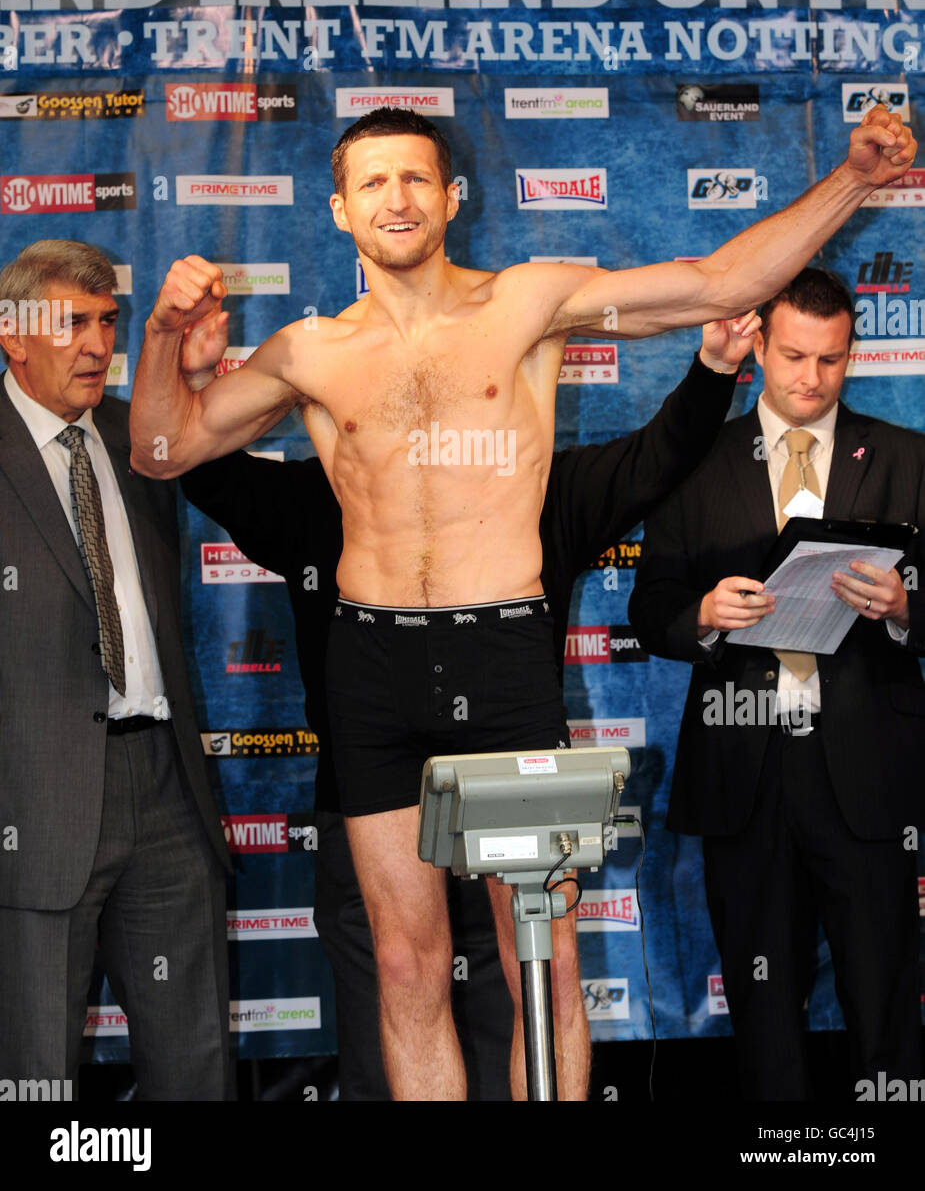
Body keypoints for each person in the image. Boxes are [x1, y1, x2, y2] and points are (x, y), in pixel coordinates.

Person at [129, 103, 915, 1101]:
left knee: (533, 963)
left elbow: (725, 282)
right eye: (372, 183)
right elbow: (161, 449)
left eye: (415, 178)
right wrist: (161, 336)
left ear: (453, 197)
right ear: (336, 210)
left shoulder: (527, 302)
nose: (397, 198)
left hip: (500, 659)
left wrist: (851, 177)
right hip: (371, 671)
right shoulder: (307, 352)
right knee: (409, 967)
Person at [180, 314, 753, 1099]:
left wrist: (714, 368)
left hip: (510, 770)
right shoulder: (321, 496)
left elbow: (652, 461)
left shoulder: (535, 487)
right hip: (369, 787)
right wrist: (194, 383)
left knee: (542, 985)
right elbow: (199, 467)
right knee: (395, 987)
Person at [629, 267, 925, 1099]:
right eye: (793, 355)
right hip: (743, 771)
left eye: (830, 361)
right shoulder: (693, 465)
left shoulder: (907, 459)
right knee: (762, 1010)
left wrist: (906, 607)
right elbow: (648, 607)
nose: (810, 378)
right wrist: (703, 612)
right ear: (756, 344)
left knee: (886, 1000)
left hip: (866, 771)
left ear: (852, 354)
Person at [0, 240, 231, 1101]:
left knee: (194, 1062)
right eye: (72, 324)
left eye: (107, 323)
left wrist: (197, 386)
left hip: (165, 788)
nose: (98, 344)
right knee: (33, 1074)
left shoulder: (143, 439)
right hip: (30, 808)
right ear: (13, 337)